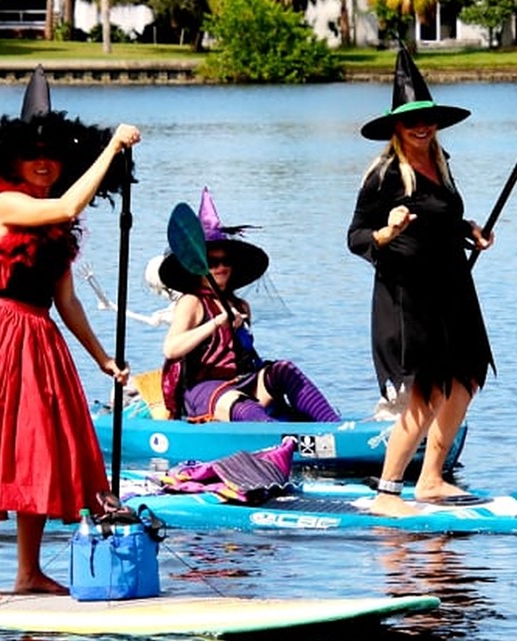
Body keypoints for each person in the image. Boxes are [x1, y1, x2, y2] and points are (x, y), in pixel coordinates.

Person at [0, 68, 140, 601]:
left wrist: (103, 359)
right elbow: (66, 204)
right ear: (12, 162)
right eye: (32, 154)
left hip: (40, 339)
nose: (44, 162)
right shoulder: (6, 206)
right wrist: (111, 147)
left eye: (53, 155)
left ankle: (28, 571)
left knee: (38, 452)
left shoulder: (59, 233)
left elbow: (67, 302)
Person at [347, 45, 495, 517]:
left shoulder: (441, 164)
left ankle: (431, 479)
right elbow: (355, 236)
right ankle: (388, 492)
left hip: (453, 288)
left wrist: (468, 229)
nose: (421, 125)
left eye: (427, 117)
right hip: (409, 295)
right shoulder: (384, 176)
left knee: (467, 377)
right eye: (411, 119)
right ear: (396, 127)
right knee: (427, 390)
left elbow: (441, 218)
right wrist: (386, 233)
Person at [160, 187, 340, 424]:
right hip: (204, 389)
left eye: (226, 261)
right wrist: (216, 323)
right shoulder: (192, 302)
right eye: (213, 262)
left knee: (284, 369)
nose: (221, 267)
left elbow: (245, 355)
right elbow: (171, 349)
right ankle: (282, 438)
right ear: (198, 268)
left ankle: (335, 428)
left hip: (241, 380)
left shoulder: (241, 305)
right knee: (242, 406)